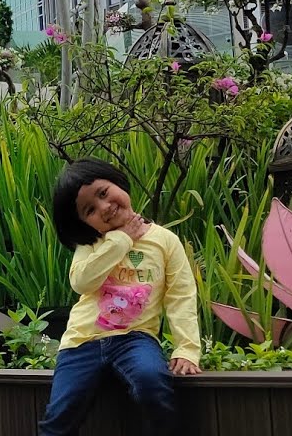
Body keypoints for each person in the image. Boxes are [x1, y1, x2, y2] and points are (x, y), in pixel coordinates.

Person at [39, 158, 201, 436]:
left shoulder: (165, 241)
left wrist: (186, 349)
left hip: (135, 339)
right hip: (82, 341)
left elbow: (181, 296)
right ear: (83, 222)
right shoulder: (92, 243)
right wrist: (122, 239)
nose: (104, 207)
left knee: (152, 381)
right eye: (90, 210)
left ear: (118, 182)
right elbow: (81, 282)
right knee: (60, 412)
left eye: (103, 193)